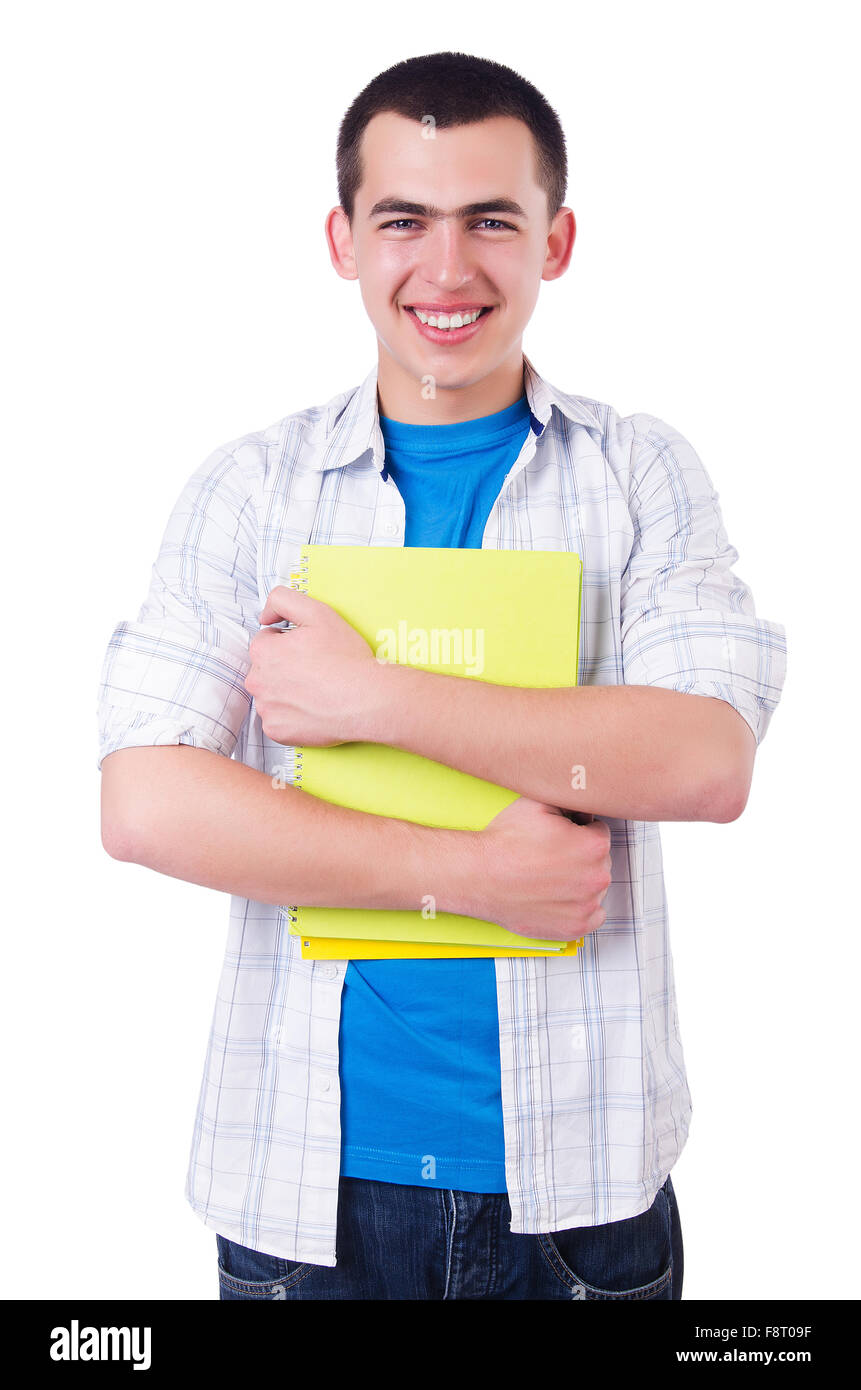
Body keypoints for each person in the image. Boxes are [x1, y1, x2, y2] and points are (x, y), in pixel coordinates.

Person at [97, 51, 786, 1301]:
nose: (448, 269)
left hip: (579, 1196)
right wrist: (467, 874)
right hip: (303, 1193)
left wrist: (372, 699)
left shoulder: (637, 474)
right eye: (405, 220)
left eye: (492, 221)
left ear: (556, 240)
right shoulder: (252, 487)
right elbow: (144, 800)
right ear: (344, 239)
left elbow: (704, 759)